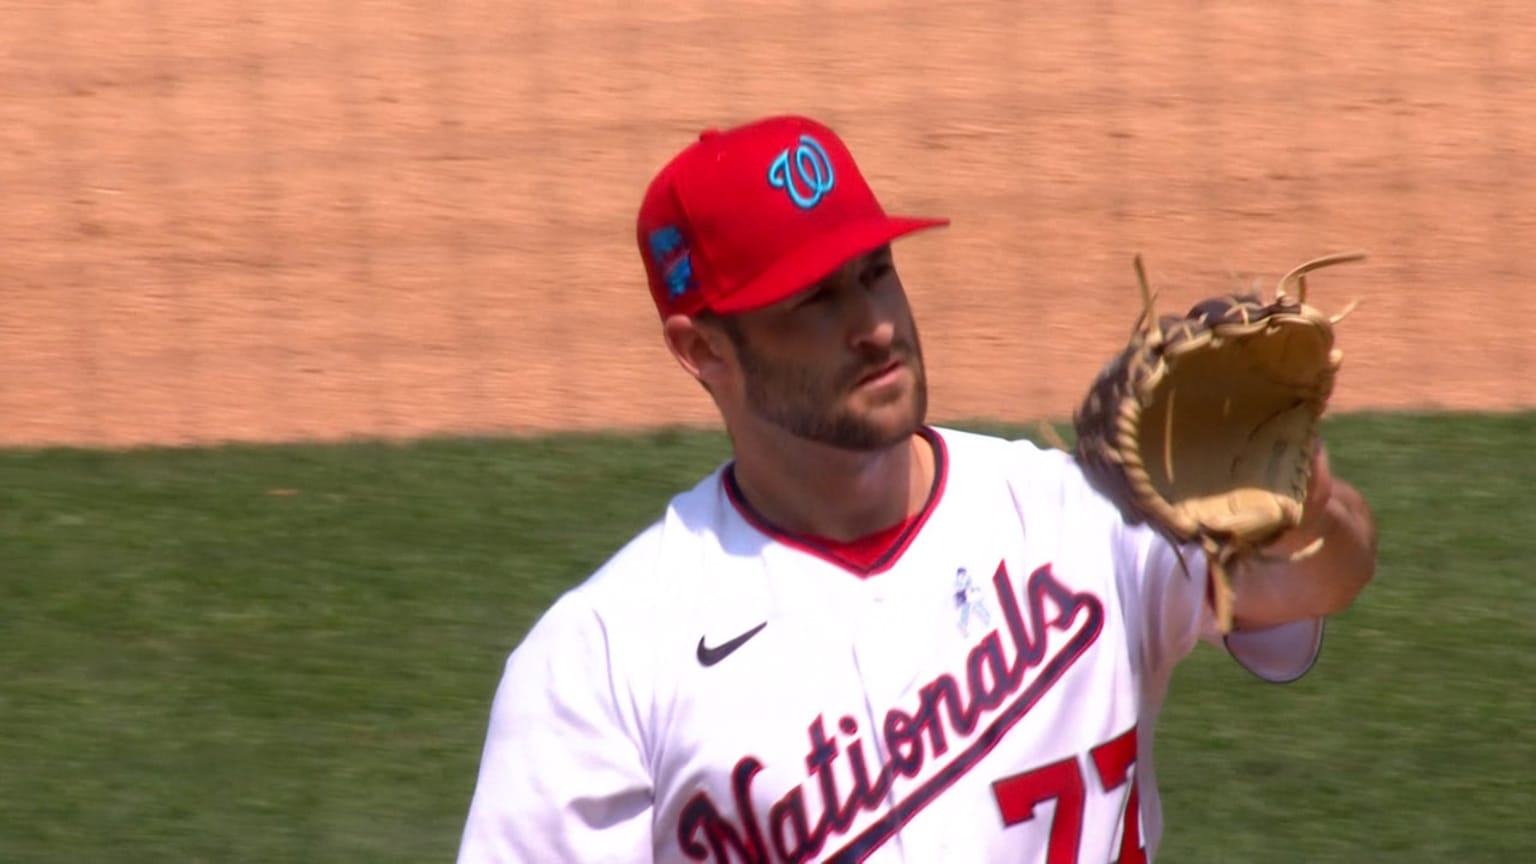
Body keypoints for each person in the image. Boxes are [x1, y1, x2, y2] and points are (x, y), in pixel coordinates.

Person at [454, 114, 1377, 863]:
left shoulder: (1082, 514)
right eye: (813, 299)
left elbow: (1316, 583)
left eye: (876, 273)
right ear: (701, 349)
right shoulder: (605, 661)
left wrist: (1309, 503)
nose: (874, 325)